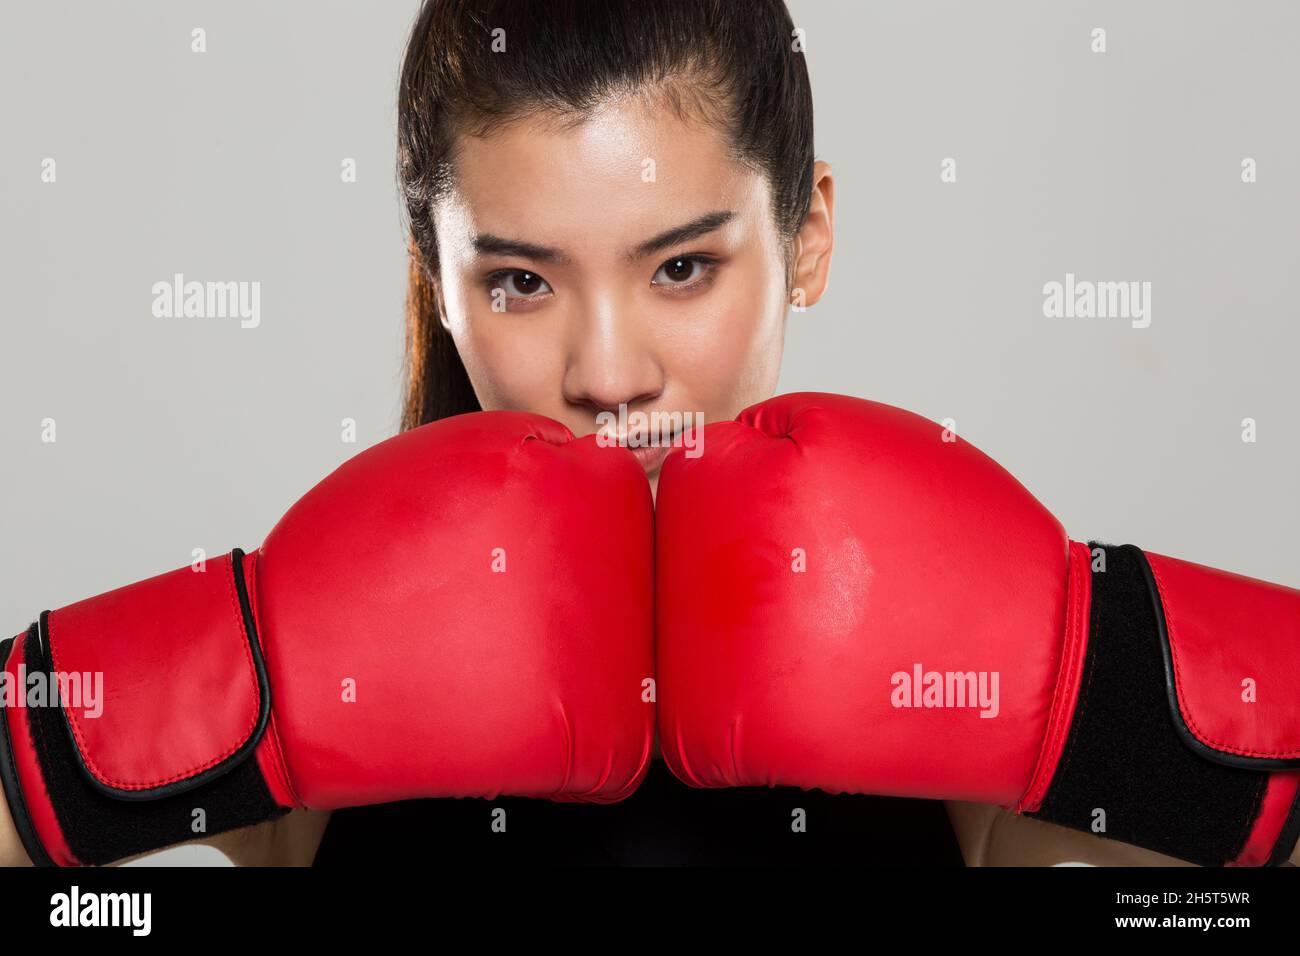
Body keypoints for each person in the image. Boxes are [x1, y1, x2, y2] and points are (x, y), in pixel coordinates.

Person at [2, 0, 1293, 868]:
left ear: (808, 235)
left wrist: (1084, 671)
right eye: (519, 281)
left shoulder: (956, 689)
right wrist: (238, 671)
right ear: (435, 286)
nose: (608, 372)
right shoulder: (319, 680)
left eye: (681, 267)